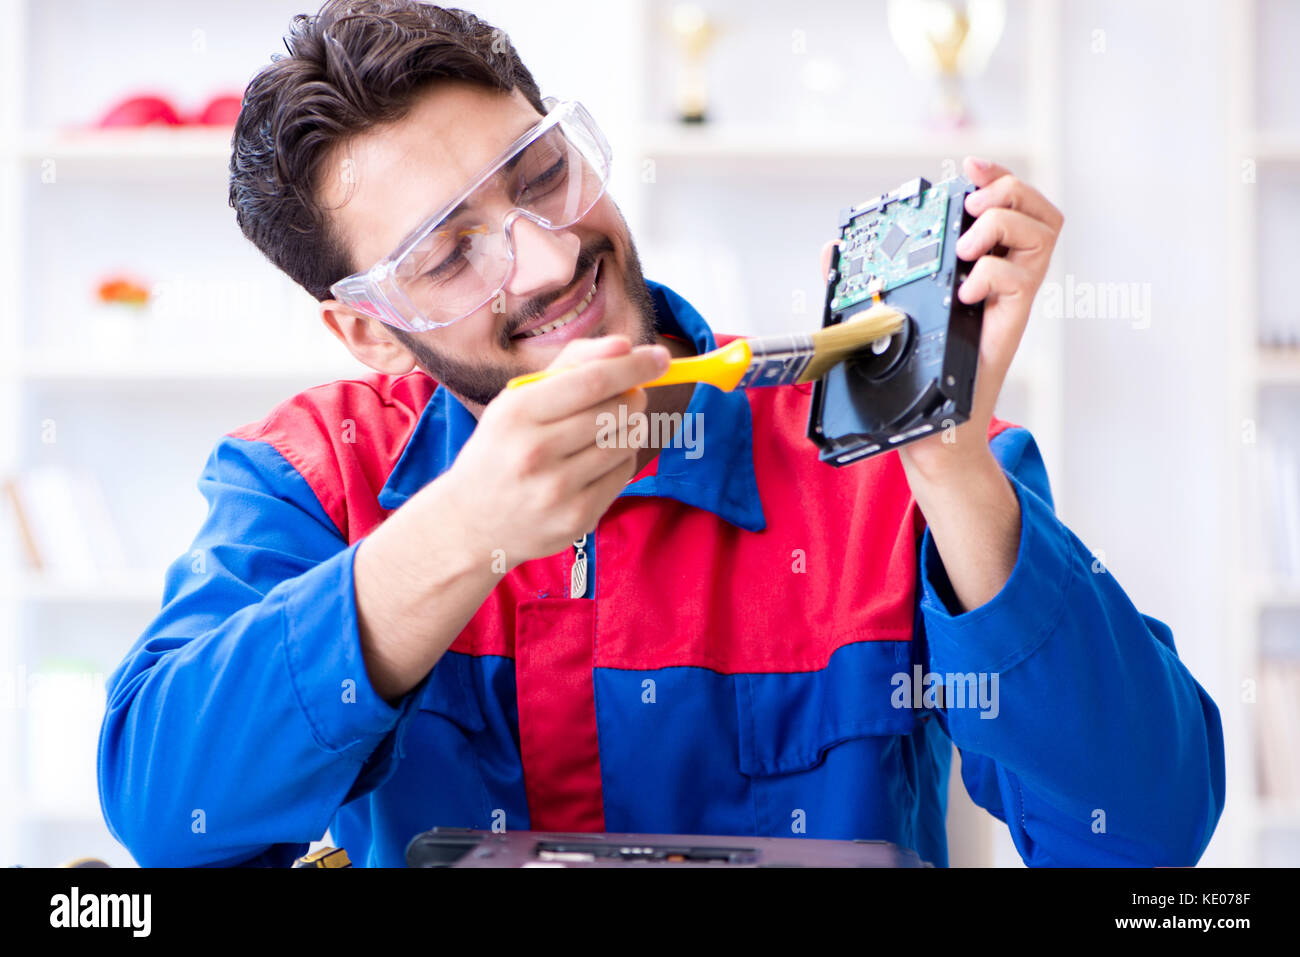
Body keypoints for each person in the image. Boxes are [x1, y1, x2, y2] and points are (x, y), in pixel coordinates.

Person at [98, 0, 1225, 867]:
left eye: (542, 174)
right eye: (449, 255)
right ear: (368, 332)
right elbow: (170, 819)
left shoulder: (886, 451)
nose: (547, 258)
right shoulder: (311, 477)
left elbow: (1141, 834)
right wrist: (450, 541)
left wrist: (942, 455)